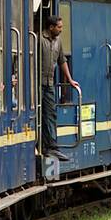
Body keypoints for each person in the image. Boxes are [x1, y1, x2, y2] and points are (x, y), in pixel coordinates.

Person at [39, 14, 79, 161]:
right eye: (59, 27)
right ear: (51, 27)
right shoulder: (39, 39)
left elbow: (62, 61)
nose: (61, 30)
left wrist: (70, 80)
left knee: (51, 114)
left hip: (49, 83)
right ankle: (43, 146)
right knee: (40, 115)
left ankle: (51, 147)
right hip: (38, 83)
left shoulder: (58, 42)